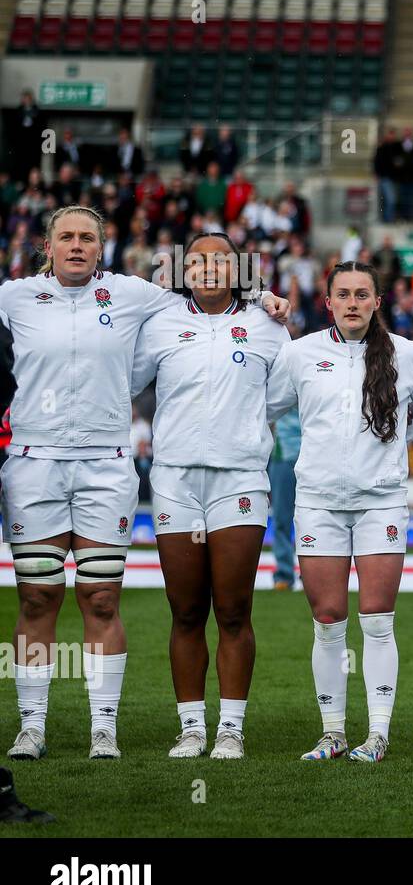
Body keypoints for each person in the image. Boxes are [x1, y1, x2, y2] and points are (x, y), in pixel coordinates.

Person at [1, 206, 287, 761]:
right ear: (47, 245)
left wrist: (267, 298)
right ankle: (31, 725)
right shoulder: (12, 298)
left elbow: (213, 293)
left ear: (103, 247)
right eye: (67, 237)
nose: (77, 246)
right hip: (33, 461)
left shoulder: (139, 296)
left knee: (102, 597)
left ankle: (103, 728)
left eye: (88, 237)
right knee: (37, 598)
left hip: (107, 465)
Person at [268, 262, 413, 764]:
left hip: (381, 502)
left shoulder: (408, 356)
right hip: (319, 503)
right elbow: (264, 409)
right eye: (342, 294)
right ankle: (332, 734)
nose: (352, 302)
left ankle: (377, 734)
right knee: (327, 621)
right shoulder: (300, 354)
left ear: (377, 301)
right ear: (327, 302)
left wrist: (396, 438)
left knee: (377, 619)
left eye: (362, 294)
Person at [131, 231, 290, 760]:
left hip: (240, 478)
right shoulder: (161, 321)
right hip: (175, 477)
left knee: (234, 609)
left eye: (221, 258)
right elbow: (126, 381)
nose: (208, 266)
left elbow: (286, 395)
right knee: (184, 610)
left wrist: (242, 430)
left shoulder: (269, 325)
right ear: (183, 268)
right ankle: (192, 727)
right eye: (197, 258)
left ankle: (231, 729)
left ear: (240, 268)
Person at [268, 406, 301, 591]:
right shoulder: (282, 376)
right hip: (283, 454)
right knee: (282, 518)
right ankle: (284, 574)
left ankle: (312, 573)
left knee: (315, 517)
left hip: (316, 454)